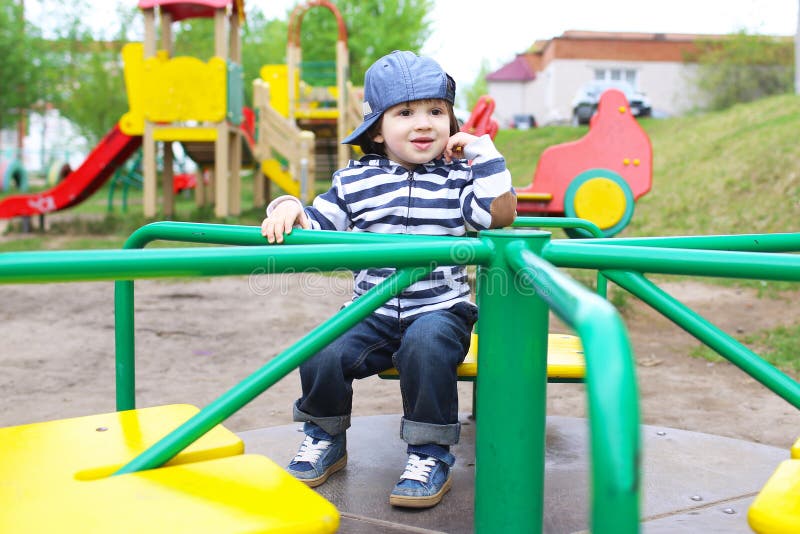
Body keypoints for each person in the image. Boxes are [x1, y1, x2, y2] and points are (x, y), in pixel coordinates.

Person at [260, 50, 516, 508]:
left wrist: (485, 157)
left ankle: (429, 453)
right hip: (371, 308)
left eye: (436, 111)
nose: (424, 123)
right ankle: (325, 435)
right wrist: (288, 207)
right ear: (378, 128)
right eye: (406, 113)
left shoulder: (459, 178)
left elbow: (498, 217)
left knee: (427, 344)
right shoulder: (354, 181)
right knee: (321, 346)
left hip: (440, 309)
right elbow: (320, 224)